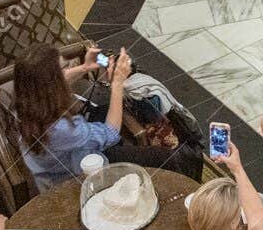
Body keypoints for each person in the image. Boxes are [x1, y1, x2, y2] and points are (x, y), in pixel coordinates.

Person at [14, 42, 202, 187]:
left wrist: (86, 67)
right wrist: (117, 83)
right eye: (64, 68)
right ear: (52, 82)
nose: (68, 70)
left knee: (105, 112)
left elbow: (58, 80)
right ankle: (188, 184)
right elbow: (110, 133)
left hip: (66, 159)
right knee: (168, 159)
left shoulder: (25, 104)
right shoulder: (63, 129)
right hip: (78, 178)